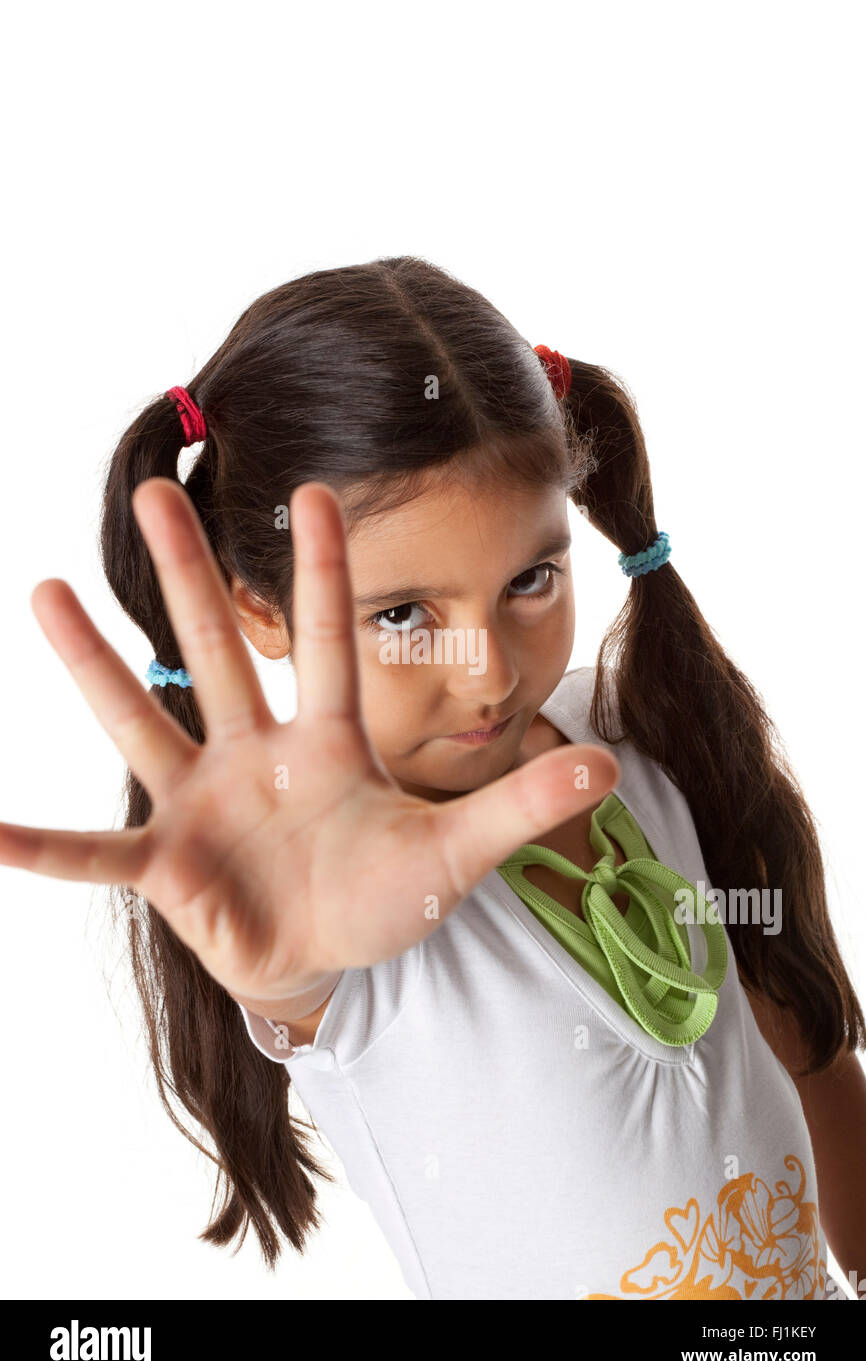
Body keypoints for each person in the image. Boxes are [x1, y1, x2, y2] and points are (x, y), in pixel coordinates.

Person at [4, 256, 864, 1299]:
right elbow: (294, 972)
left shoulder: (642, 727)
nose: (489, 672)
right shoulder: (336, 898)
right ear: (261, 608)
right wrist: (279, 966)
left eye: (529, 580)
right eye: (404, 614)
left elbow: (808, 1053)